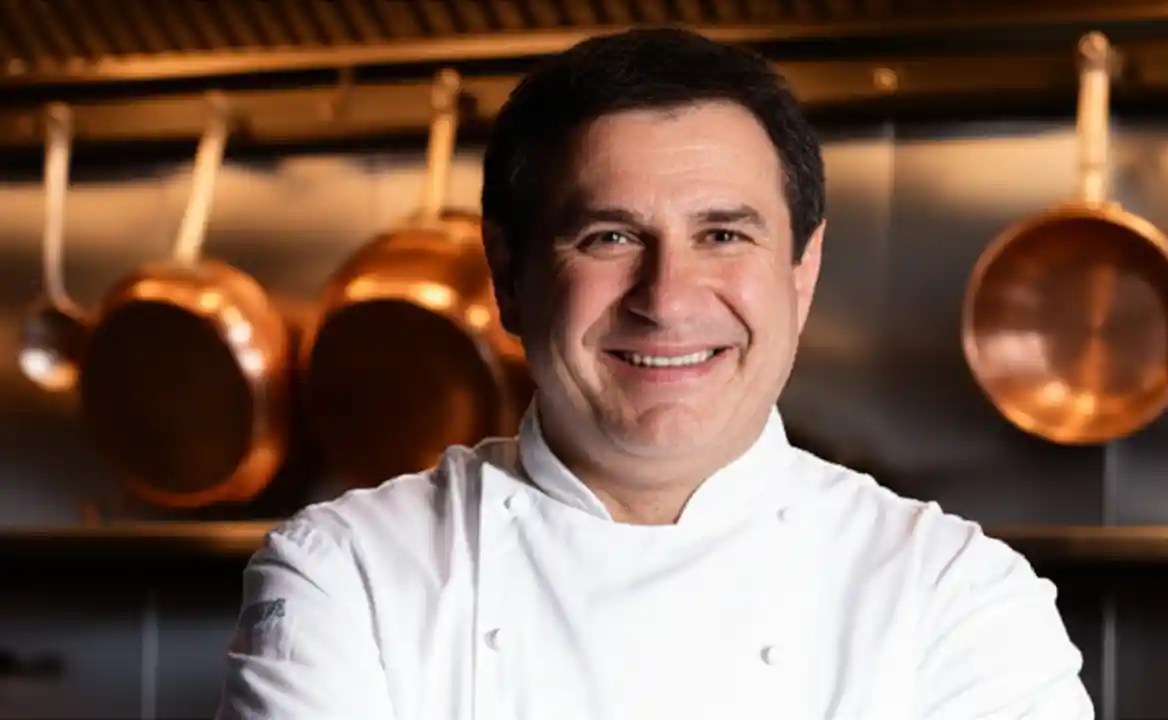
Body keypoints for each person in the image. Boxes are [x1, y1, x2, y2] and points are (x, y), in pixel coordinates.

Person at [215, 26, 1093, 719]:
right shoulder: (353, 575)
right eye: (610, 237)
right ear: (510, 278)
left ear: (803, 272)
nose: (667, 299)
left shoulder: (956, 597)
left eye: (723, 235)